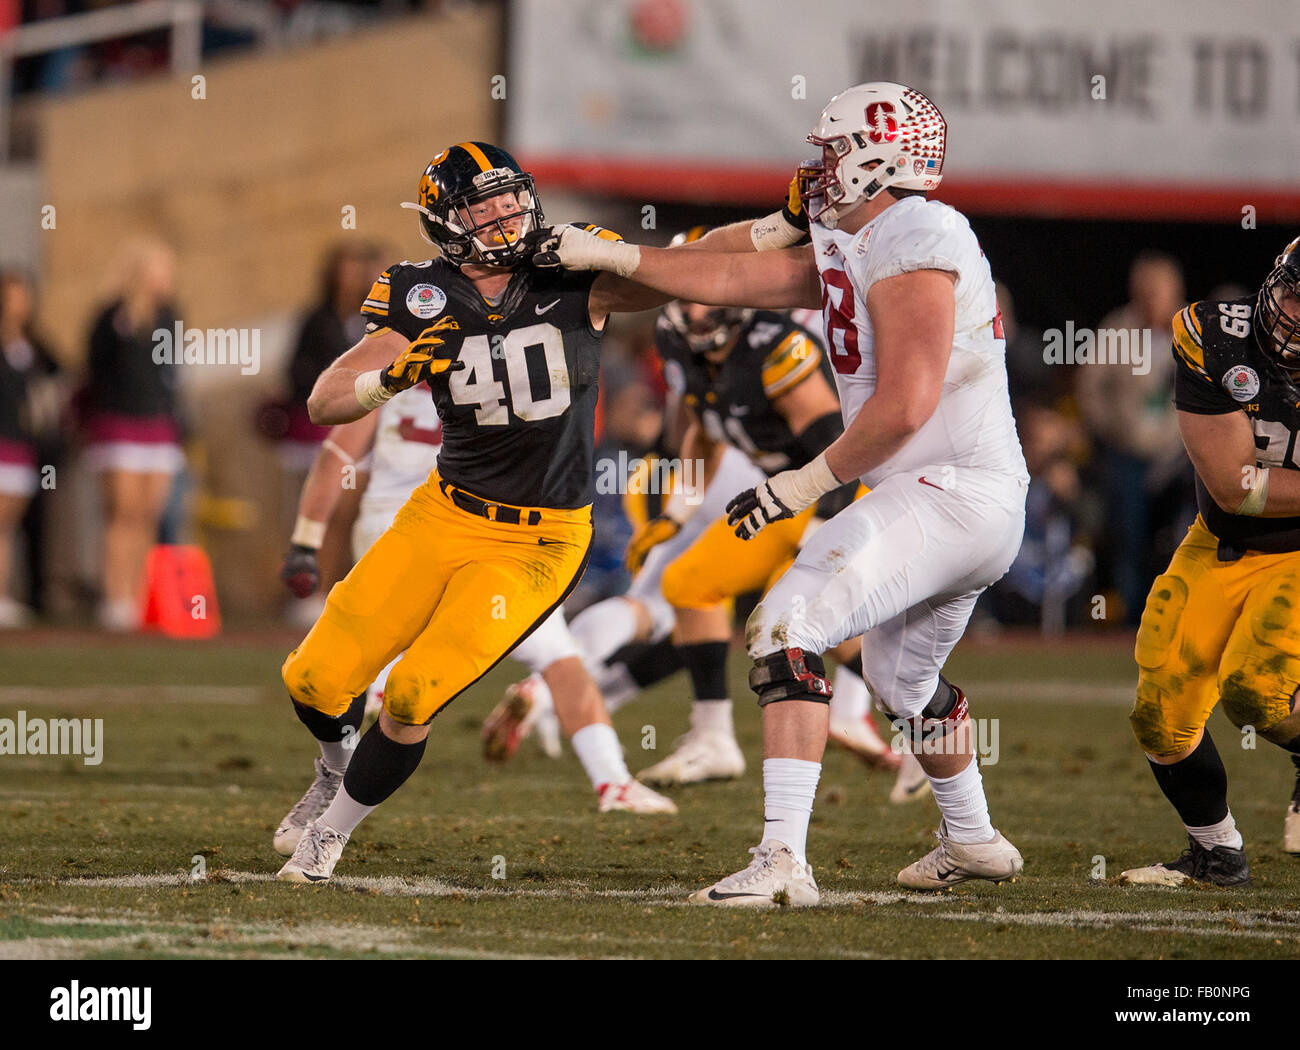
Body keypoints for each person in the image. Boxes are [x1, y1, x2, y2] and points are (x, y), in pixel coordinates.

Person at [532, 81, 1028, 904]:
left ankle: (784, 861)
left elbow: (904, 406)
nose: (817, 169)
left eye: (831, 152)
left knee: (786, 625)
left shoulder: (918, 231)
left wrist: (797, 486)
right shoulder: (855, 237)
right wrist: (621, 258)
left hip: (951, 491)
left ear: (880, 159)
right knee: (902, 682)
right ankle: (973, 837)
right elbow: (729, 273)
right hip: (941, 495)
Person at [276, 141, 741, 883]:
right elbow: (325, 398)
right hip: (442, 512)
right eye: (483, 206)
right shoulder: (420, 290)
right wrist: (392, 377)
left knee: (413, 690)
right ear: (445, 222)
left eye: (511, 197)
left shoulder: (574, 274)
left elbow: (697, 263)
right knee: (311, 679)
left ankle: (330, 836)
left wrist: (776, 228)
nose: (506, 215)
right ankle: (334, 769)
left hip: (538, 539)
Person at [1121, 236, 1300, 887]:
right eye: (1291, 293)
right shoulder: (1216, 336)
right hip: (1224, 536)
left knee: (1259, 687)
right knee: (1161, 708)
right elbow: (1235, 486)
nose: (1290, 314)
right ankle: (1216, 852)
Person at [82, 237, 185, 631]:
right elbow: (95, 367)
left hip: (158, 425)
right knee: (122, 515)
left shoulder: (170, 314)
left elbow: (171, 374)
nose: (166, 277)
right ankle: (114, 598)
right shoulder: (111, 316)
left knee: (147, 516)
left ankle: (137, 597)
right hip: (119, 423)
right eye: (160, 269)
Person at [0, 269, 64, 626]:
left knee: (7, 525)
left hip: (21, 444)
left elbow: (58, 375)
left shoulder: (33, 344)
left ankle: (3, 594)